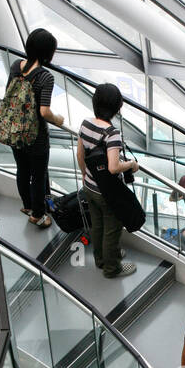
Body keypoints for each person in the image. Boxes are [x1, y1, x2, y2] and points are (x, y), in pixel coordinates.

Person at [77, 82, 138, 278]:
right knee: (112, 228)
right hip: (107, 192)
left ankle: (101, 259)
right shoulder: (112, 134)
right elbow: (113, 167)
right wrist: (130, 165)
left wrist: (85, 176)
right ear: (116, 108)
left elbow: (80, 154)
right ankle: (112, 268)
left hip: (89, 186)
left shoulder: (85, 123)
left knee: (97, 225)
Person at [10, 28, 65, 229]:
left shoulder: (16, 66)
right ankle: (38, 215)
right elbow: (44, 112)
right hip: (36, 136)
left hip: (14, 130)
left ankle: (27, 206)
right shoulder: (45, 77)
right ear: (48, 52)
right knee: (39, 175)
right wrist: (58, 119)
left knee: (22, 170)